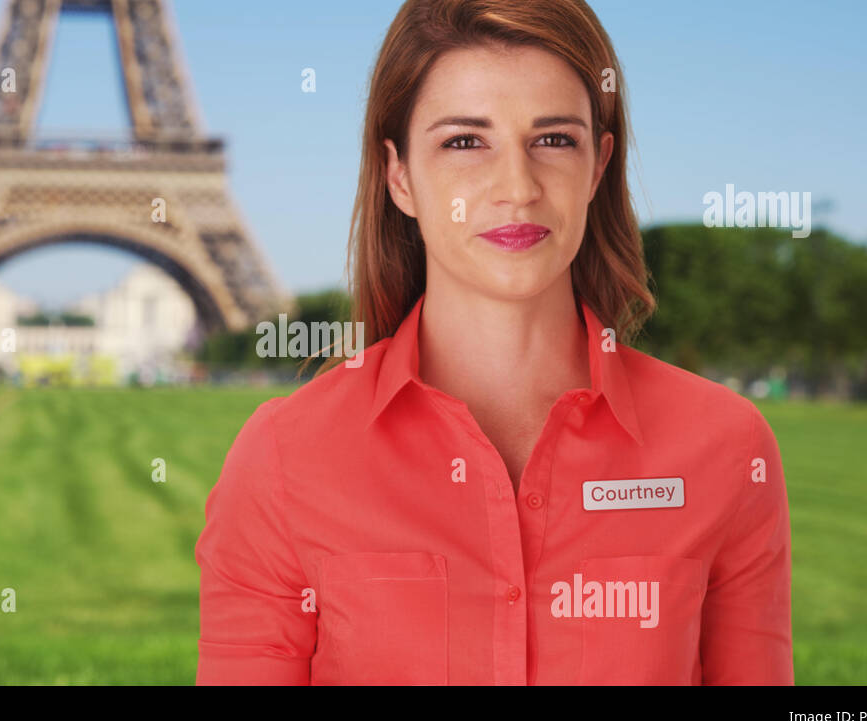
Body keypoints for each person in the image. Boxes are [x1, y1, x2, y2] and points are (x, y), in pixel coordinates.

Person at [195, 0, 792, 685]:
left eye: (554, 139)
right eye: (464, 142)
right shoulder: (282, 460)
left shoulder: (728, 449)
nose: (517, 188)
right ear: (399, 175)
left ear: (598, 167)